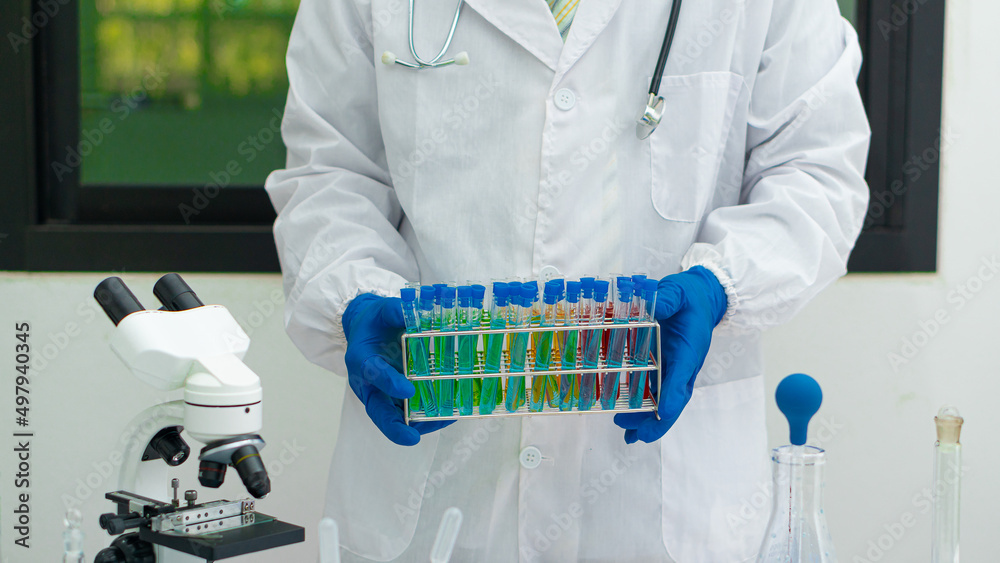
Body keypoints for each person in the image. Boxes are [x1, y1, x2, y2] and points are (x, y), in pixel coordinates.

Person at [264, 0, 870, 559]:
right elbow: (328, 176)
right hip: (443, 492)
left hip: (656, 506)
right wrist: (353, 293)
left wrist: (721, 285)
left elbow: (816, 173)